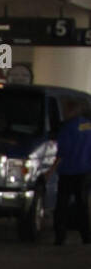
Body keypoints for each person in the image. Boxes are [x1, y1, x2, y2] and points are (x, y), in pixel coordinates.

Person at [51, 97, 91, 244]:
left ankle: (60, 237)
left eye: (66, 109)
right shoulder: (88, 126)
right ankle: (86, 236)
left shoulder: (67, 128)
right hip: (85, 171)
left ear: (72, 110)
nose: (64, 112)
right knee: (82, 205)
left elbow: (62, 151)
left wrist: (50, 171)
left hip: (68, 172)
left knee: (62, 205)